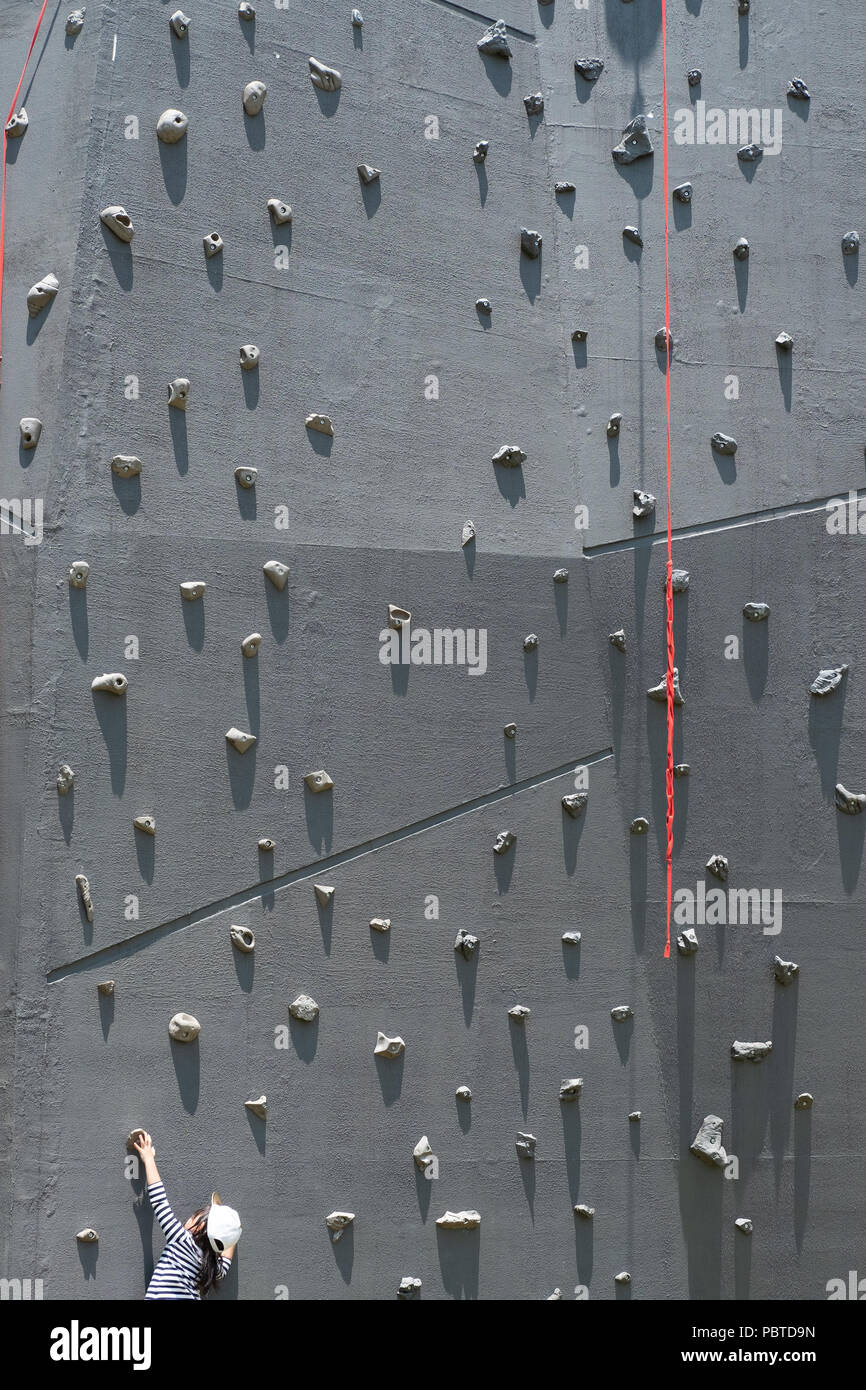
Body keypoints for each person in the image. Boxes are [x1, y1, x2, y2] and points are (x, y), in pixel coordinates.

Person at [132, 1130, 241, 1300]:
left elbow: (159, 1201)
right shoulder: (212, 1266)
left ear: (200, 1227)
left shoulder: (181, 1240)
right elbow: (225, 1263)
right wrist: (230, 1233)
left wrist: (148, 1158)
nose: (190, 1217)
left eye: (195, 1216)